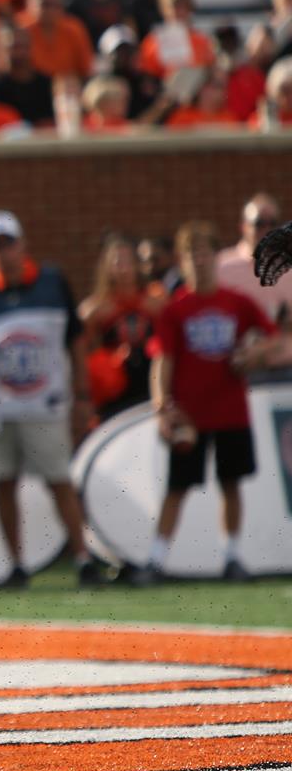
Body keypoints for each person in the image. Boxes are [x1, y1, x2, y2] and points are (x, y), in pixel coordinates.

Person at [0, 211, 106, 589]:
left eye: (9, 243)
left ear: (23, 244)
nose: (4, 252)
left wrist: (82, 395)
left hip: (45, 405)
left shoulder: (52, 282)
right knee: (4, 483)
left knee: (59, 481)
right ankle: (17, 565)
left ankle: (83, 557)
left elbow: (75, 342)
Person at [132, 221, 277, 586]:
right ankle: (156, 560)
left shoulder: (238, 302)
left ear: (216, 256)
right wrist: (162, 406)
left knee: (231, 484)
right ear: (181, 262)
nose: (199, 260)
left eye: (204, 252)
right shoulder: (175, 310)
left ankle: (231, 557)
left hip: (229, 409)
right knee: (177, 488)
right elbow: (162, 360)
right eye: (191, 253)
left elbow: (271, 339)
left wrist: (253, 355)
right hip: (190, 414)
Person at [79, 232, 165, 422]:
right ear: (108, 268)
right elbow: (84, 353)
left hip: (149, 384)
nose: (124, 269)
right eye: (118, 263)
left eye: (128, 262)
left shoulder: (156, 302)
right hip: (114, 391)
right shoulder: (95, 310)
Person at [217, 192, 292, 325]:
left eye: (272, 223)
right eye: (259, 223)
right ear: (243, 227)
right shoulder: (222, 267)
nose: (267, 230)